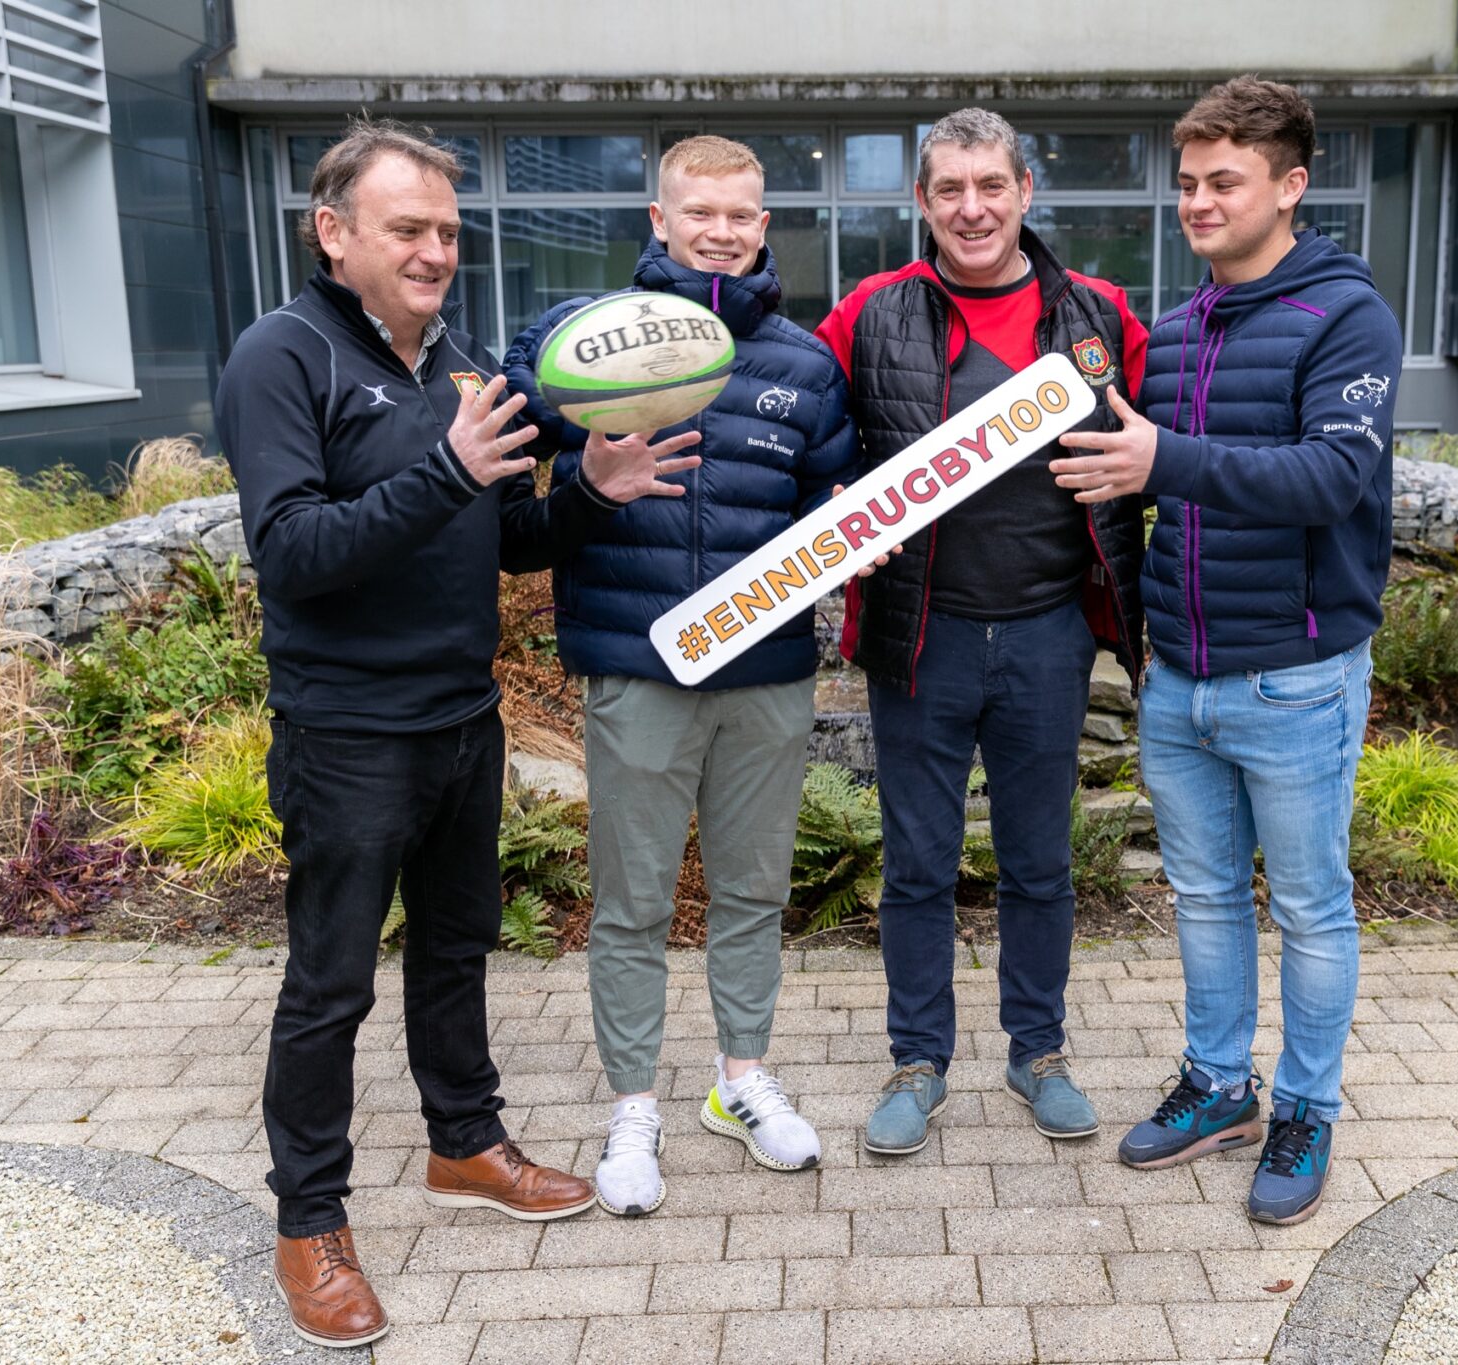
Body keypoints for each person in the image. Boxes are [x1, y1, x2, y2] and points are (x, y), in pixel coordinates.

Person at [218, 117, 699, 1349]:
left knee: (454, 951)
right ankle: (308, 1222)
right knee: (329, 986)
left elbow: (499, 540)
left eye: (446, 229)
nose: (435, 250)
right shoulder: (282, 357)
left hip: (460, 721)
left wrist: (587, 496)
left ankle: (465, 1145)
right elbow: (293, 551)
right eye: (408, 229)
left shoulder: (459, 363)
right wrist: (446, 468)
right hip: (347, 734)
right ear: (334, 233)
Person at [1050, 76, 1401, 1226]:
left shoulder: (1344, 317)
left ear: (1289, 185)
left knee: (1308, 907)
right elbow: (1136, 476)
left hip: (1294, 676)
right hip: (1180, 679)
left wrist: (1163, 461)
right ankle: (1217, 1088)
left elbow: (1331, 477)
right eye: (1187, 182)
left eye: (1223, 182)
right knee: (1203, 901)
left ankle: (1305, 1108)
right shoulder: (1179, 327)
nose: (1197, 201)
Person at [503, 136, 860, 1215]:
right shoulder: (580, 341)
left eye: (740, 213)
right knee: (633, 902)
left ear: (764, 225)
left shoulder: (803, 364)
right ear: (657, 220)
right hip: (637, 665)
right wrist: (587, 478)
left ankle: (740, 1080)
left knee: (752, 890)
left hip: (766, 670)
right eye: (698, 211)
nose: (720, 230)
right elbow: (508, 495)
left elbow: (829, 498)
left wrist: (853, 537)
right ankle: (631, 1107)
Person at [815, 107, 1149, 1157]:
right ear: (922, 201)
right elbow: (812, 445)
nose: (972, 208)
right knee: (916, 864)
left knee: (1039, 861)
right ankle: (918, 1061)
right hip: (922, 637)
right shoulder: (870, 314)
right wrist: (829, 506)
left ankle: (1037, 1051)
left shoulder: (1098, 314)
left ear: (1024, 191)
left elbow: (1158, 446)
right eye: (950, 189)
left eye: (990, 185)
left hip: (1049, 633)